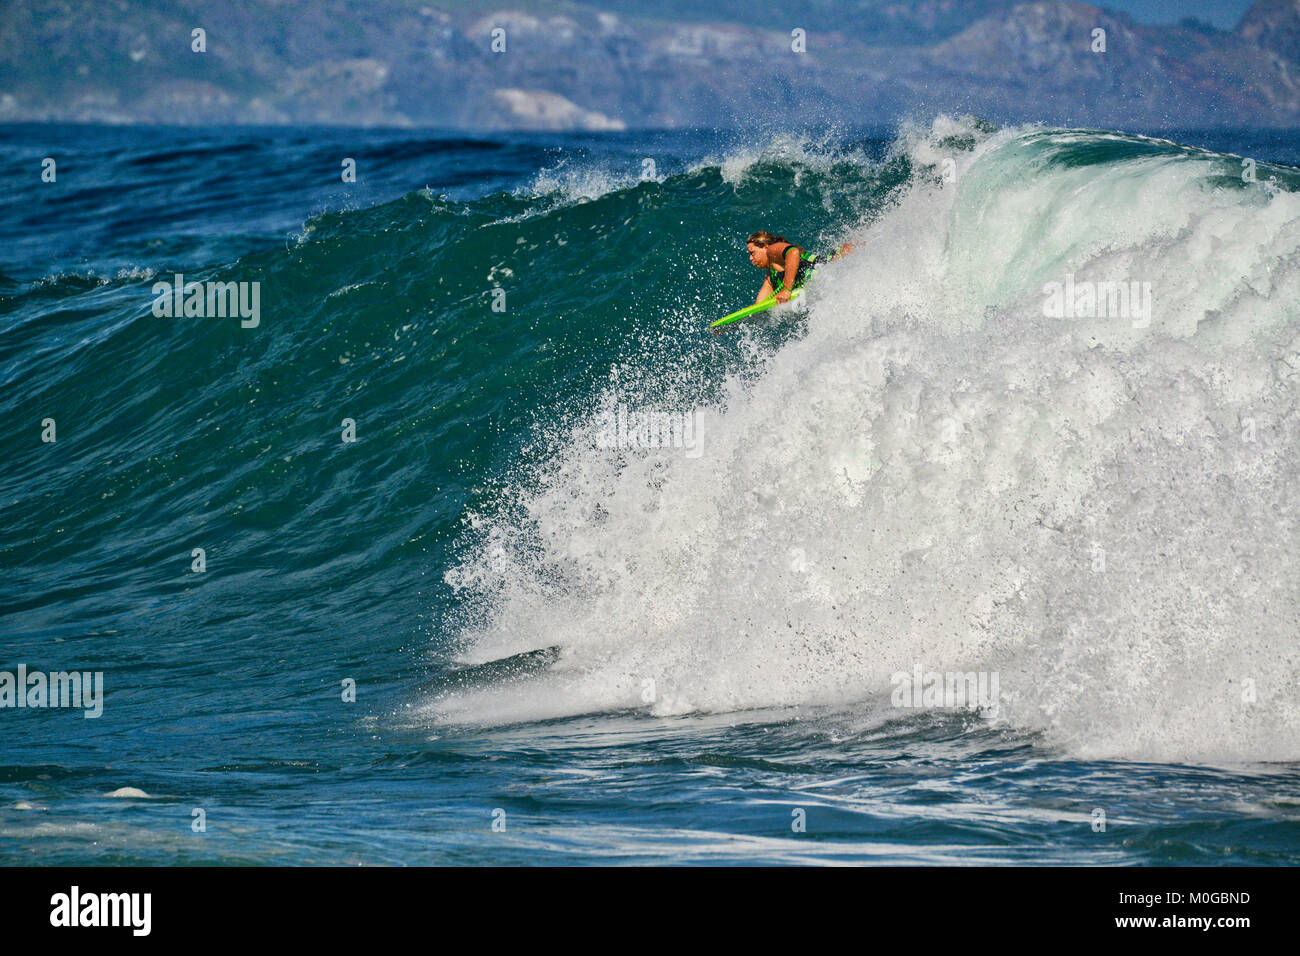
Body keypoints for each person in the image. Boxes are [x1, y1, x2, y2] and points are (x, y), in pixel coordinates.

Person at [745, 231, 853, 305]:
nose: (750, 258)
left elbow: (793, 252)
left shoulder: (771, 250)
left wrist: (786, 289)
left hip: (828, 265)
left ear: (765, 247)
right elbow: (759, 305)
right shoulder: (771, 275)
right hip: (823, 276)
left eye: (752, 253)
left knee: (850, 250)